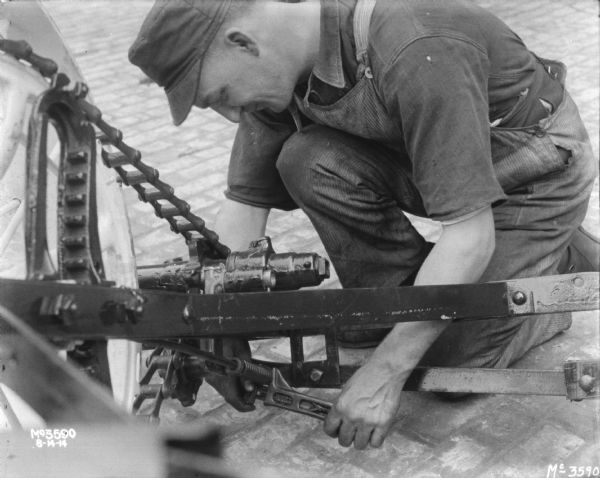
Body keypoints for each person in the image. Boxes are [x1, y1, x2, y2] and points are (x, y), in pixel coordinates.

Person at [129, 0, 599, 449]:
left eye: (223, 96)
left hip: (534, 180)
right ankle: (406, 305)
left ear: (244, 43)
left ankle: (550, 261)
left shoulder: (415, 45)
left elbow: (469, 237)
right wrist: (210, 318)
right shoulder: (282, 64)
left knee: (450, 361)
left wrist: (387, 372)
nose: (231, 112)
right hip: (442, 168)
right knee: (305, 159)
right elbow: (245, 207)